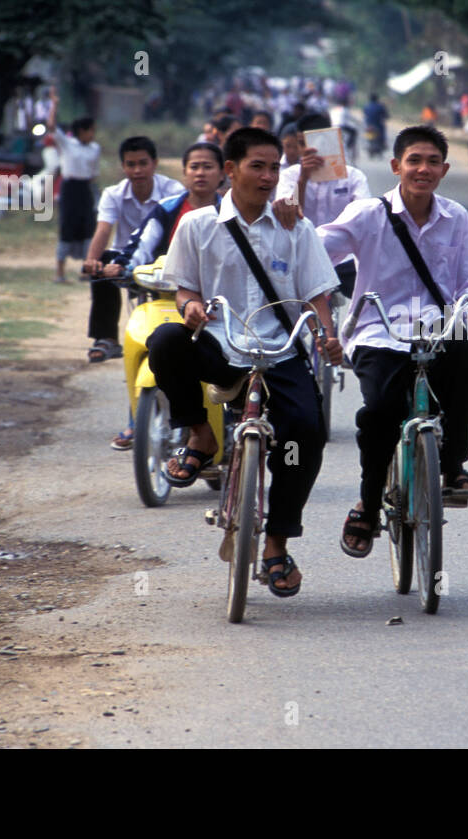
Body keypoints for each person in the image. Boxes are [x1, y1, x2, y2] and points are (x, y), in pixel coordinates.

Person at [148, 127, 341, 598]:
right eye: (257, 166)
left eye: (275, 167)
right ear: (230, 170)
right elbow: (185, 288)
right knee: (165, 340)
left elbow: (317, 292)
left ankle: (276, 541)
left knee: (305, 431)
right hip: (222, 344)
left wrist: (326, 337)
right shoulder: (198, 225)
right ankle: (199, 433)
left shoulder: (296, 228)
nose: (269, 176)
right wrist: (190, 307)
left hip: (279, 349)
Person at [316, 125, 468, 558]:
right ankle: (366, 504)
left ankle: (452, 467)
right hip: (379, 333)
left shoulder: (457, 218)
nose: (423, 169)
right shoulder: (367, 214)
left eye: (433, 161)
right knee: (380, 412)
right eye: (414, 160)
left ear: (444, 169)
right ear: (396, 166)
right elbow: (317, 252)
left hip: (437, 330)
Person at [99, 141, 226, 451]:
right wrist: (121, 267)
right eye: (194, 167)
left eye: (207, 167)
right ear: (183, 173)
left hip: (218, 307)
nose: (200, 173)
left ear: (223, 174)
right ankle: (135, 419)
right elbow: (140, 245)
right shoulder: (167, 209)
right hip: (163, 297)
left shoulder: (231, 212)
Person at [82, 137, 184, 363]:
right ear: (123, 167)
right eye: (130, 164)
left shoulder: (173, 190)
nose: (137, 170)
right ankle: (106, 337)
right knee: (102, 262)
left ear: (154, 164)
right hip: (124, 257)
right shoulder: (113, 193)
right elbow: (103, 230)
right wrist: (91, 261)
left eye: (143, 163)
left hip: (162, 257)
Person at [276, 112, 371, 297]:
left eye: (309, 143)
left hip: (344, 260)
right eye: (301, 144)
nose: (304, 150)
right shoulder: (290, 175)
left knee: (369, 300)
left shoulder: (353, 177)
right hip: (301, 259)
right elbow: (289, 215)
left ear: (328, 140)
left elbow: (364, 216)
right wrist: (303, 180)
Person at [47, 87, 101, 283]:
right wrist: (54, 104)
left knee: (88, 227)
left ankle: (86, 269)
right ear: (81, 131)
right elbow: (51, 126)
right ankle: (59, 272)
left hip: (85, 189)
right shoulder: (67, 143)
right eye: (91, 130)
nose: (93, 134)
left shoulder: (95, 148)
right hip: (69, 189)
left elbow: (94, 173)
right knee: (67, 227)